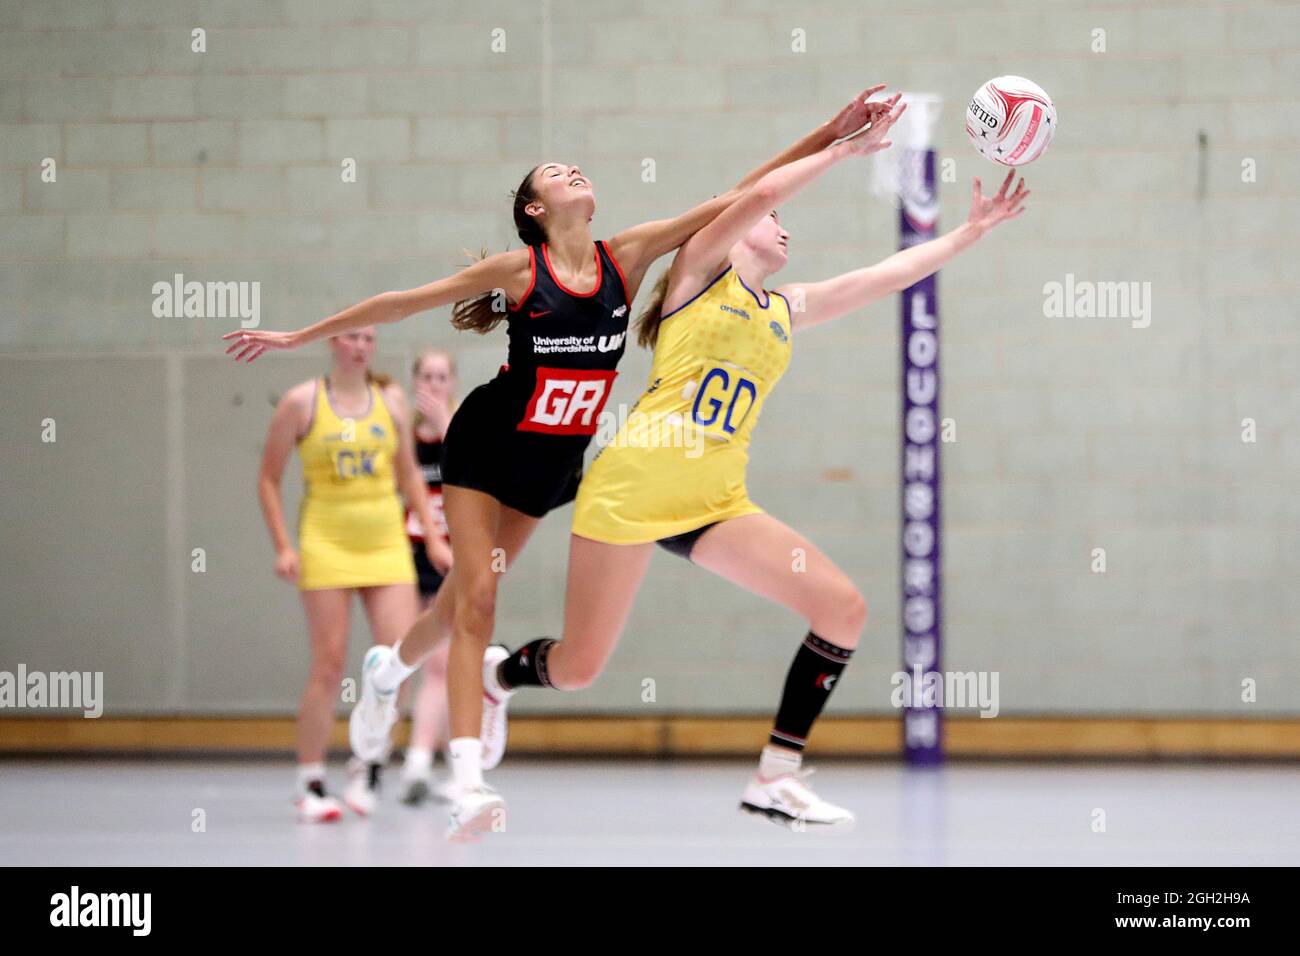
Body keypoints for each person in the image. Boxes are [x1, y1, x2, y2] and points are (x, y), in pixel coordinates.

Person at [225, 86, 894, 838]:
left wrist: (831, 132)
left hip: (552, 467)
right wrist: (297, 337)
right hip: (486, 446)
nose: (571, 170)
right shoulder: (520, 271)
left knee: (455, 609)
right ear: (536, 209)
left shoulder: (629, 257)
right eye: (554, 171)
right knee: (477, 600)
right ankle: (468, 783)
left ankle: (387, 672)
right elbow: (400, 302)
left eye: (574, 165)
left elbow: (743, 195)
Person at [481, 120, 1031, 829]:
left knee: (842, 608)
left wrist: (968, 234)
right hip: (632, 488)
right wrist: (839, 150)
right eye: (772, 218)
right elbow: (761, 189)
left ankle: (776, 775)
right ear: (736, 224)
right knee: (581, 666)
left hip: (715, 499)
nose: (784, 228)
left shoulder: (782, 309)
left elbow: (878, 279)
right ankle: (501, 673)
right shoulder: (698, 271)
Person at [255, 327, 435, 822]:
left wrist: (436, 539)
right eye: (351, 336)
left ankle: (368, 763)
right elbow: (268, 477)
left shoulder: (390, 402)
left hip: (384, 542)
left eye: (369, 338)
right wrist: (283, 546)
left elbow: (409, 475)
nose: (360, 345)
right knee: (329, 664)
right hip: (326, 541)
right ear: (333, 342)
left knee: (398, 661)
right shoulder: (302, 402)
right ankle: (310, 779)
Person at [399, 349, 457, 805]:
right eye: (427, 376)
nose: (434, 384)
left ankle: (422, 763)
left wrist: (445, 424)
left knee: (443, 664)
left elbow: (480, 477)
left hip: (453, 559)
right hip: (407, 557)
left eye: (442, 376)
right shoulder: (401, 439)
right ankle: (377, 761)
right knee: (405, 658)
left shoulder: (461, 431)